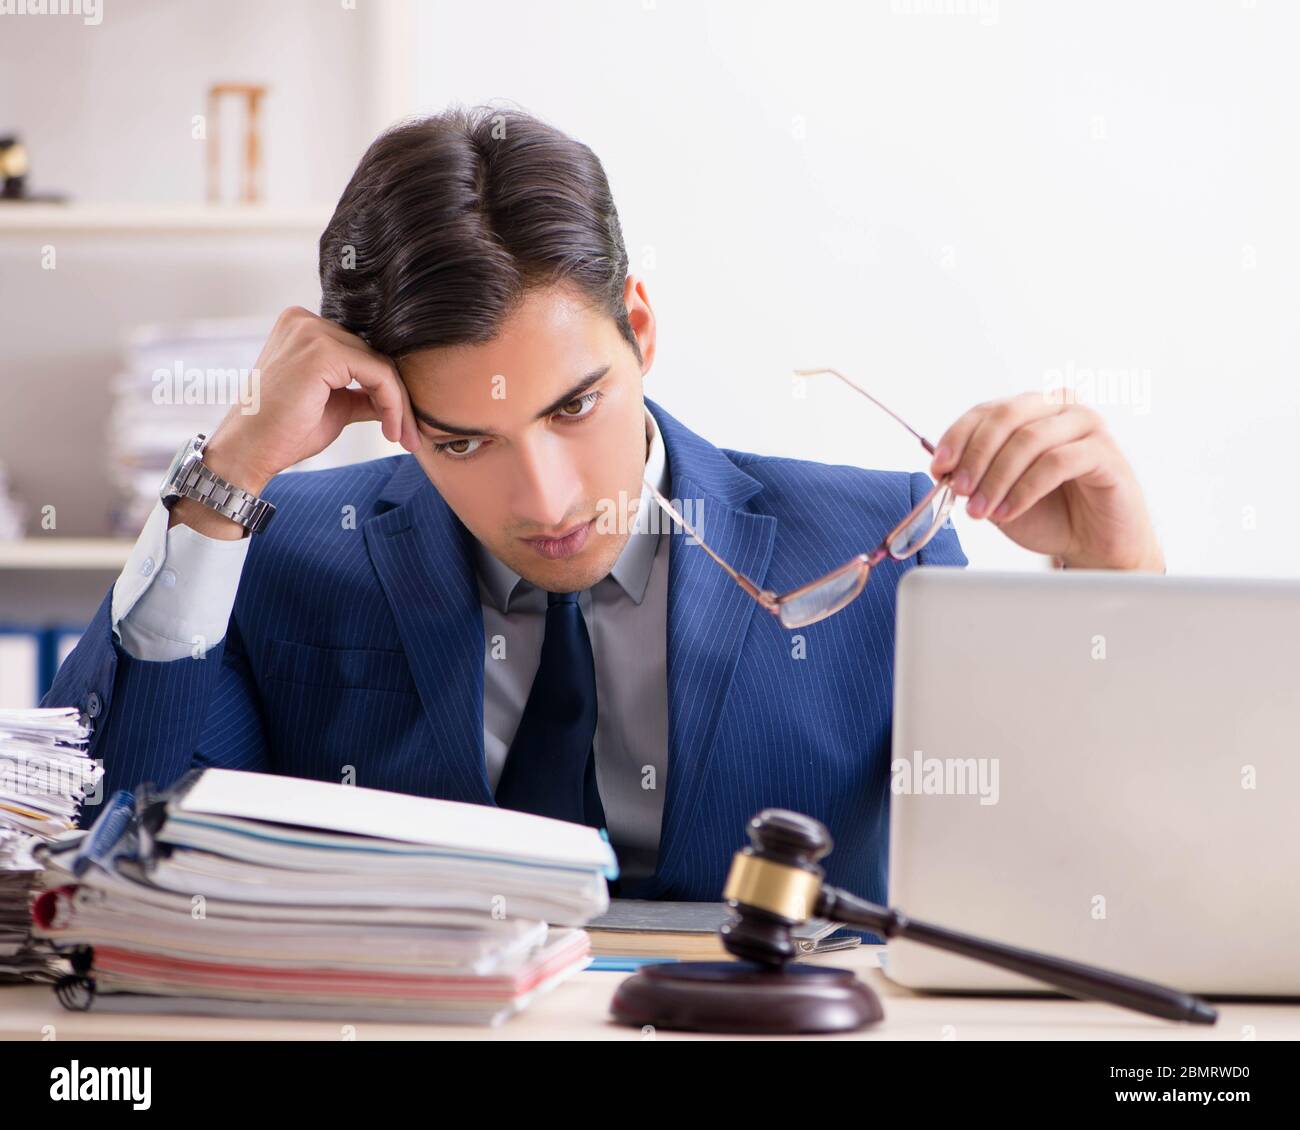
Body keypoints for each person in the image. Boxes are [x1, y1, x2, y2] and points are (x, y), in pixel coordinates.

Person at [45, 105, 1164, 907]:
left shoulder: (879, 549)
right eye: (463, 440)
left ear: (641, 327)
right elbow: (103, 859)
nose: (547, 499)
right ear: (387, 411)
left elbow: (1083, 882)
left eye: (574, 405)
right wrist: (228, 472)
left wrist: (1117, 581)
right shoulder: (279, 553)